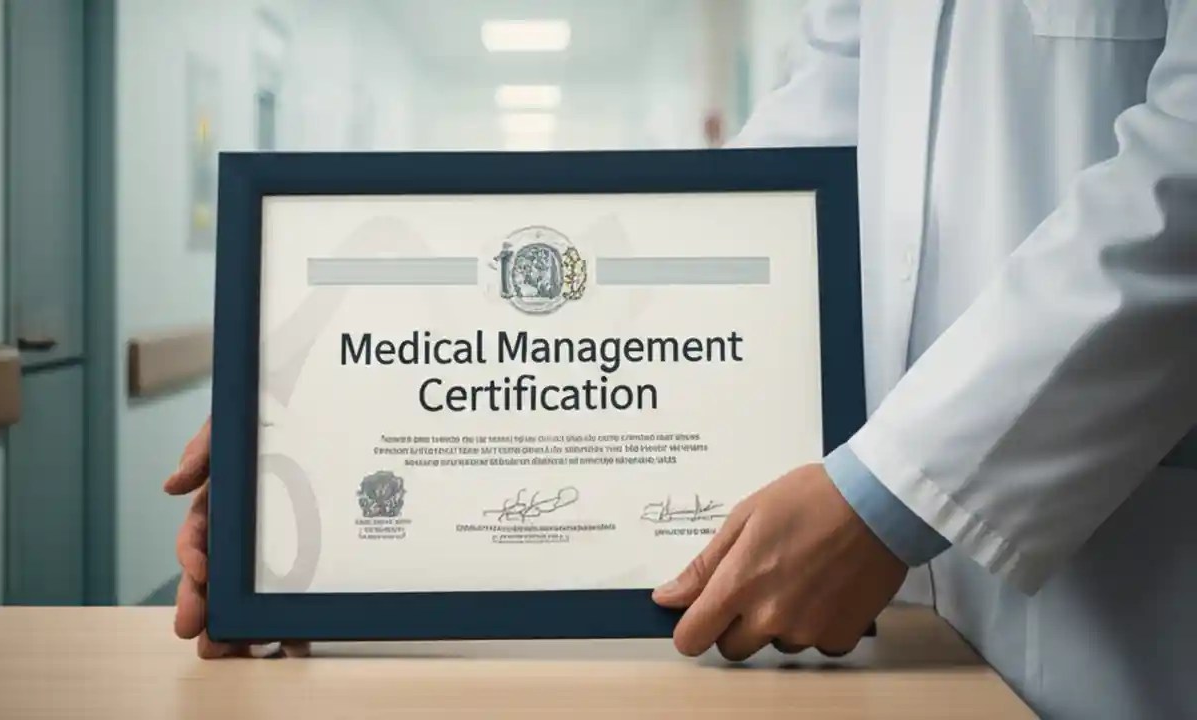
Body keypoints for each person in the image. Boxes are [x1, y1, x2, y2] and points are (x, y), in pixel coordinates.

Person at [167, 1, 1197, 716]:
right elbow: (820, 116)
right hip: (884, 611)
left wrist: (895, 494)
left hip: (1117, 598)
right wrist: (320, 406)